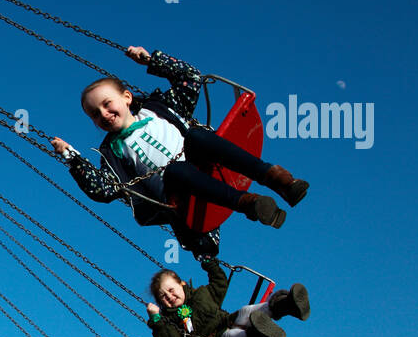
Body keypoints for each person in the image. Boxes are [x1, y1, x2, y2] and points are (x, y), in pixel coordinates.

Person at [51, 46, 310, 241]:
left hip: (204, 162)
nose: (104, 114)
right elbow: (102, 190)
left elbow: (191, 78)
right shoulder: (111, 152)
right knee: (176, 170)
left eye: (107, 104)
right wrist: (71, 157)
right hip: (179, 197)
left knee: (196, 136)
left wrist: (152, 60)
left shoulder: (159, 108)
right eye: (95, 114)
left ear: (127, 97)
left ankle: (277, 178)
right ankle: (250, 203)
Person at [146, 259, 311, 337]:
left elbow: (220, 284)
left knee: (246, 311)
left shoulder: (201, 294)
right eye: (163, 297)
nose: (169, 296)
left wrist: (211, 265)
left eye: (170, 290)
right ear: (161, 303)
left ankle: (287, 304)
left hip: (226, 320)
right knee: (230, 336)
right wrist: (156, 319)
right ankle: (261, 334)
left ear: (181, 284)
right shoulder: (170, 321)